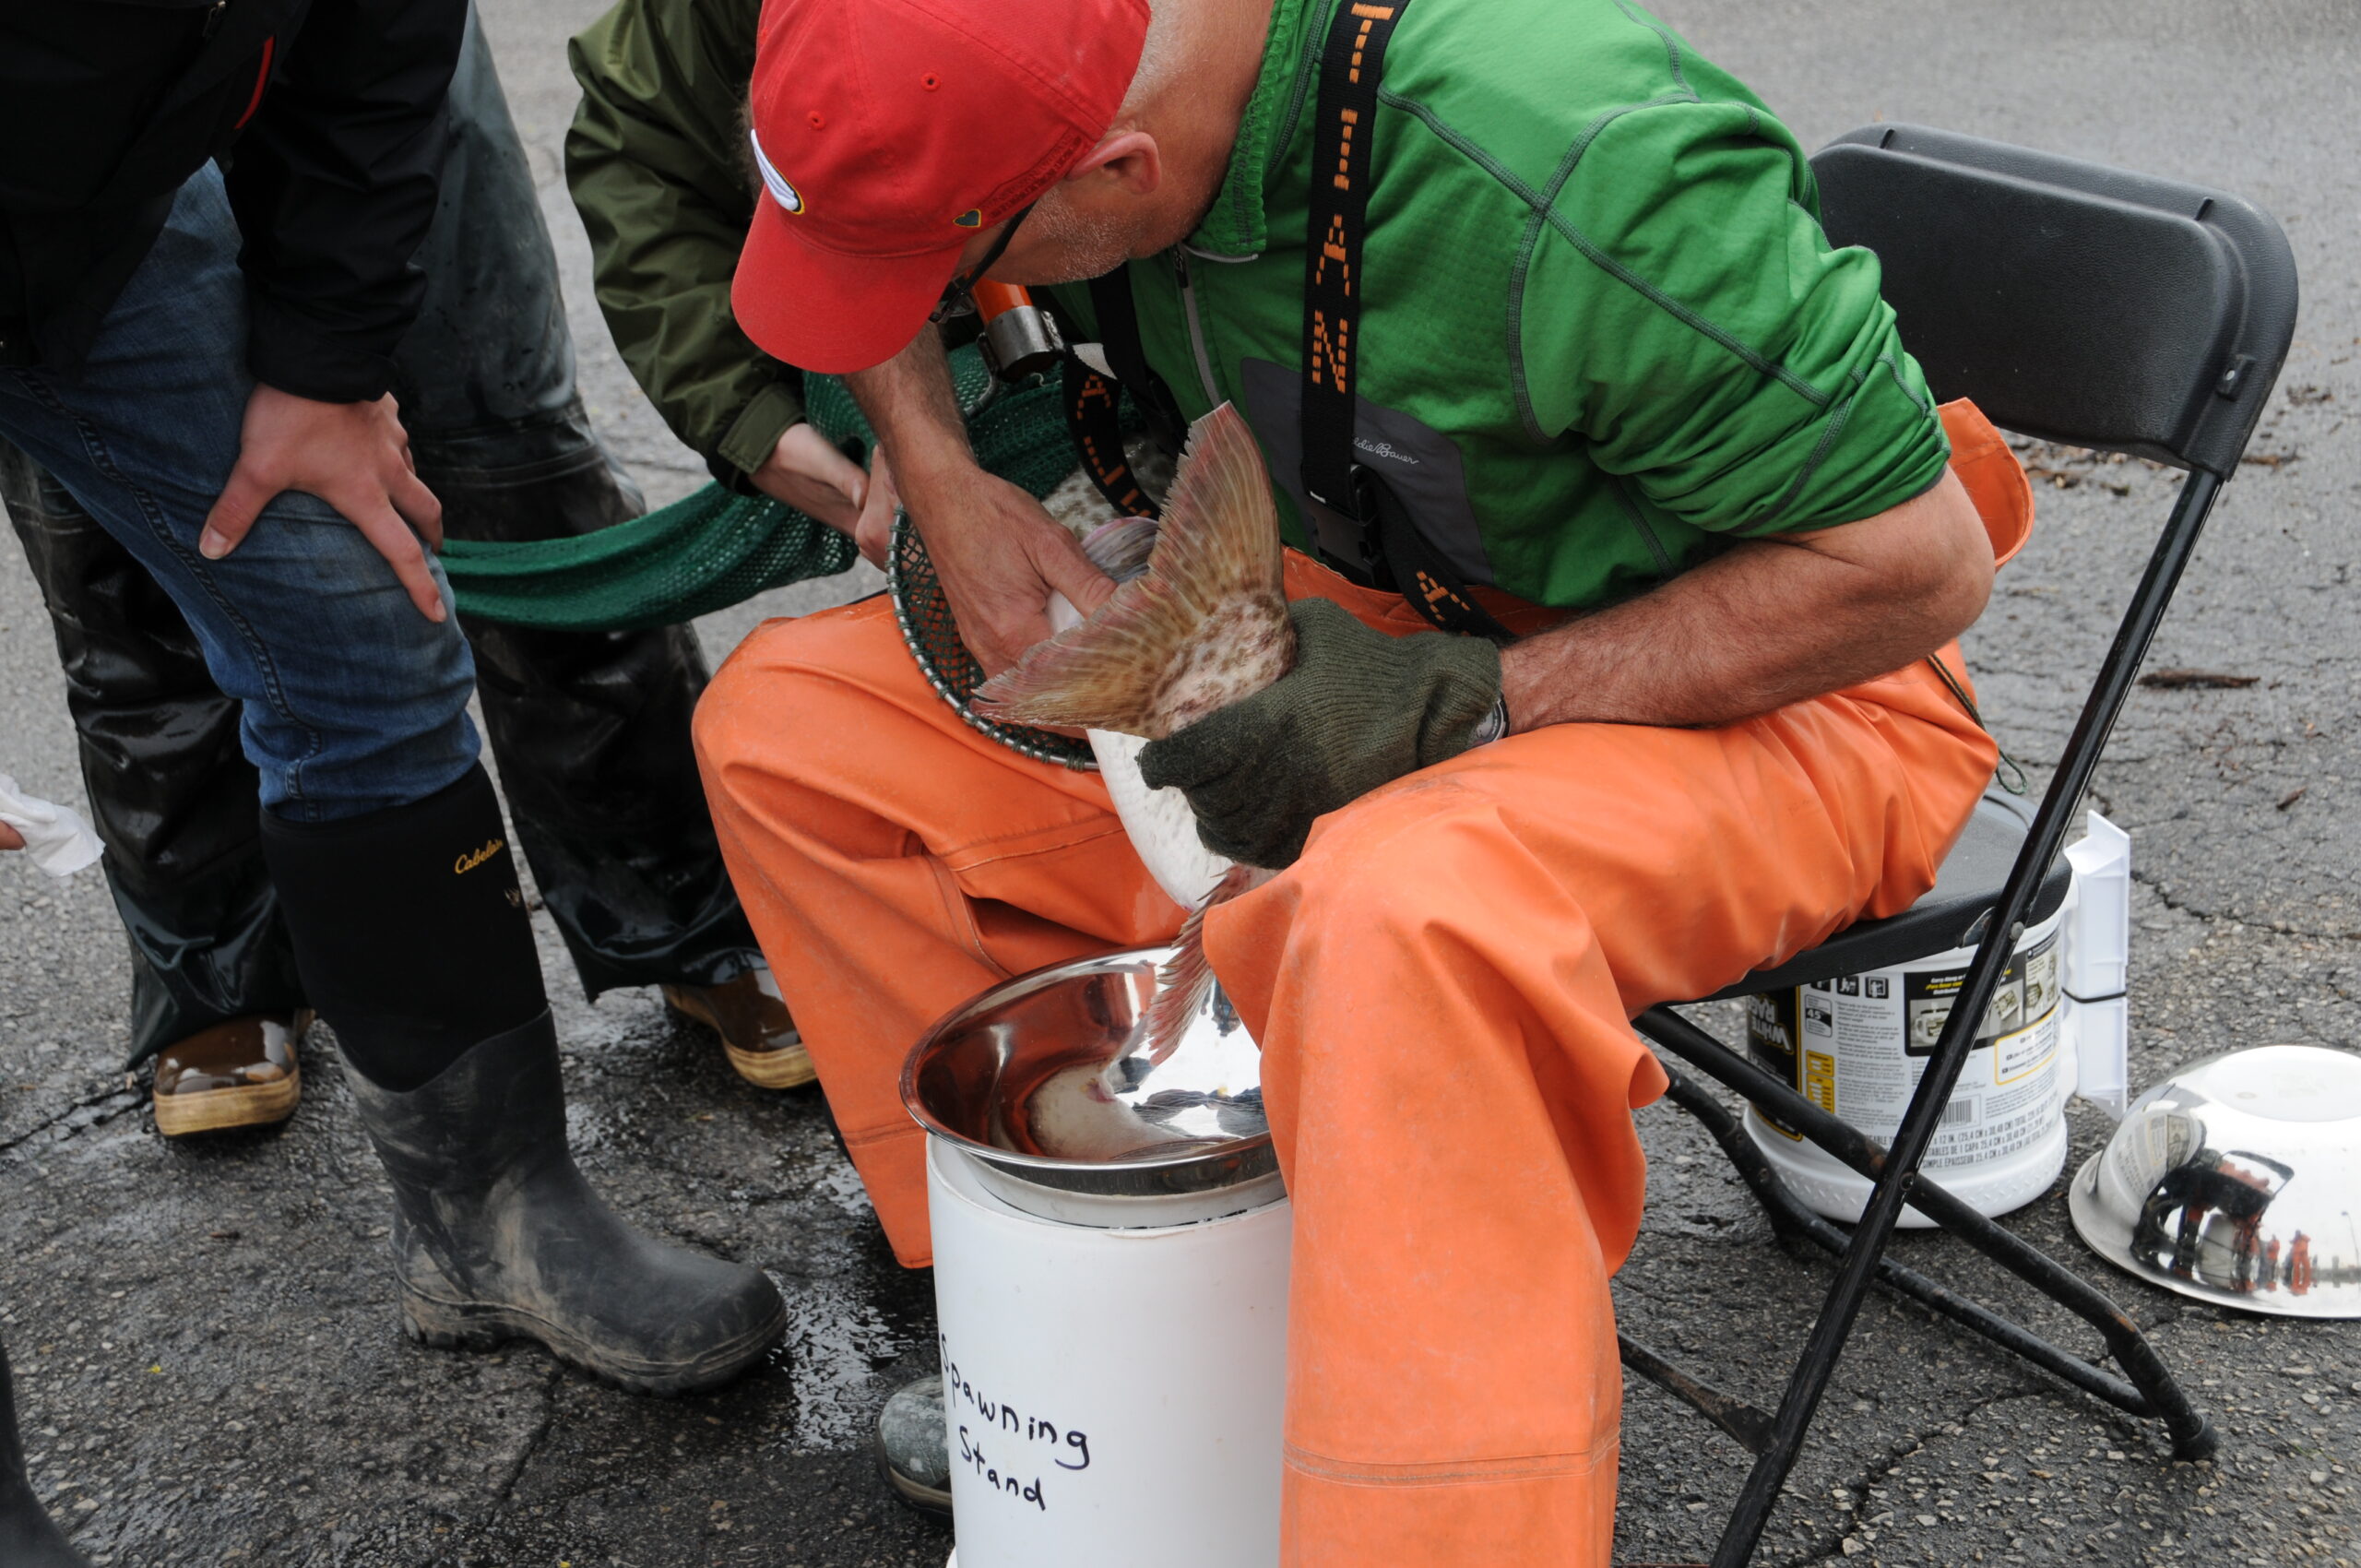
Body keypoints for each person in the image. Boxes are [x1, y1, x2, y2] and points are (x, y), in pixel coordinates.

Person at [693, 0, 2036, 1560]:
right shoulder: (1054, 61)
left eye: (952, 270)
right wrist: (935, 465)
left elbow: (1913, 570)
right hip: (1404, 612)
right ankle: (1097, 1318)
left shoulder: (1576, 170)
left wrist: (1481, 705)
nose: (927, 302)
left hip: (1788, 683)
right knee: (793, 733)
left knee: (1393, 919)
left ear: (1122, 174)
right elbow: (873, 217)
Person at [1, 0, 782, 1396]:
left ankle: (495, 1227)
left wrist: (322, 363)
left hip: (111, 171)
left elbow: (377, 38)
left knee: (367, 617)